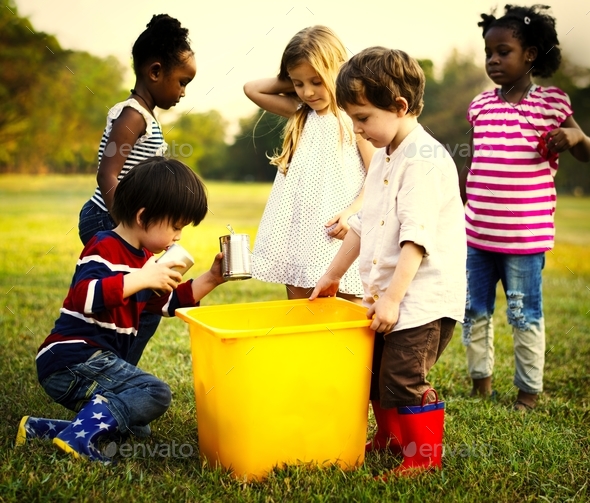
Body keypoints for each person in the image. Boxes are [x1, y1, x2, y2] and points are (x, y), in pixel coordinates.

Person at [310, 47, 466, 476]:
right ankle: (391, 437)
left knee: (402, 378)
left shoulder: (424, 161)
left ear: (399, 106)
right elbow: (362, 224)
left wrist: (394, 300)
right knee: (375, 372)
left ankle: (424, 456)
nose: (357, 128)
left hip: (420, 302)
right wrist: (332, 274)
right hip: (385, 297)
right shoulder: (384, 154)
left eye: (362, 118)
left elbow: (417, 240)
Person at [16, 157, 225, 463]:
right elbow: (84, 297)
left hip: (94, 364)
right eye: (176, 226)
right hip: (70, 361)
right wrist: (140, 278)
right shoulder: (104, 246)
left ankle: (41, 429)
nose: (179, 236)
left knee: (136, 426)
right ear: (143, 217)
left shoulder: (143, 262)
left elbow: (167, 303)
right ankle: (78, 438)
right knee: (154, 393)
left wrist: (211, 278)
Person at [459, 4, 590, 411]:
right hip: (477, 234)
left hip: (523, 240)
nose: (493, 60)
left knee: (523, 315)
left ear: (530, 54)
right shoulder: (480, 105)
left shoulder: (552, 102)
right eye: (489, 53)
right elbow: (477, 164)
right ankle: (481, 385)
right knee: (474, 312)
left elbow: (585, 148)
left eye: (504, 52)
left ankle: (528, 394)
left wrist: (573, 140)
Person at [78, 14, 197, 366]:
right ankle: (114, 370)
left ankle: (120, 370)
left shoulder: (144, 115)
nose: (183, 92)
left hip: (128, 219)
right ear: (155, 72)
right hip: (109, 217)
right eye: (182, 81)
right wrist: (125, 231)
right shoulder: (133, 117)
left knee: (143, 300)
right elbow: (107, 175)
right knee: (137, 299)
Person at [243, 25, 374, 303]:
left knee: (347, 302)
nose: (307, 92)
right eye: (298, 83)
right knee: (303, 306)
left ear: (337, 71)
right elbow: (251, 89)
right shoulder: (301, 111)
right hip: (299, 229)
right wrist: (292, 79)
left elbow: (377, 171)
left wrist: (354, 211)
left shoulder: (353, 116)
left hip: (339, 226)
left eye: (316, 81)